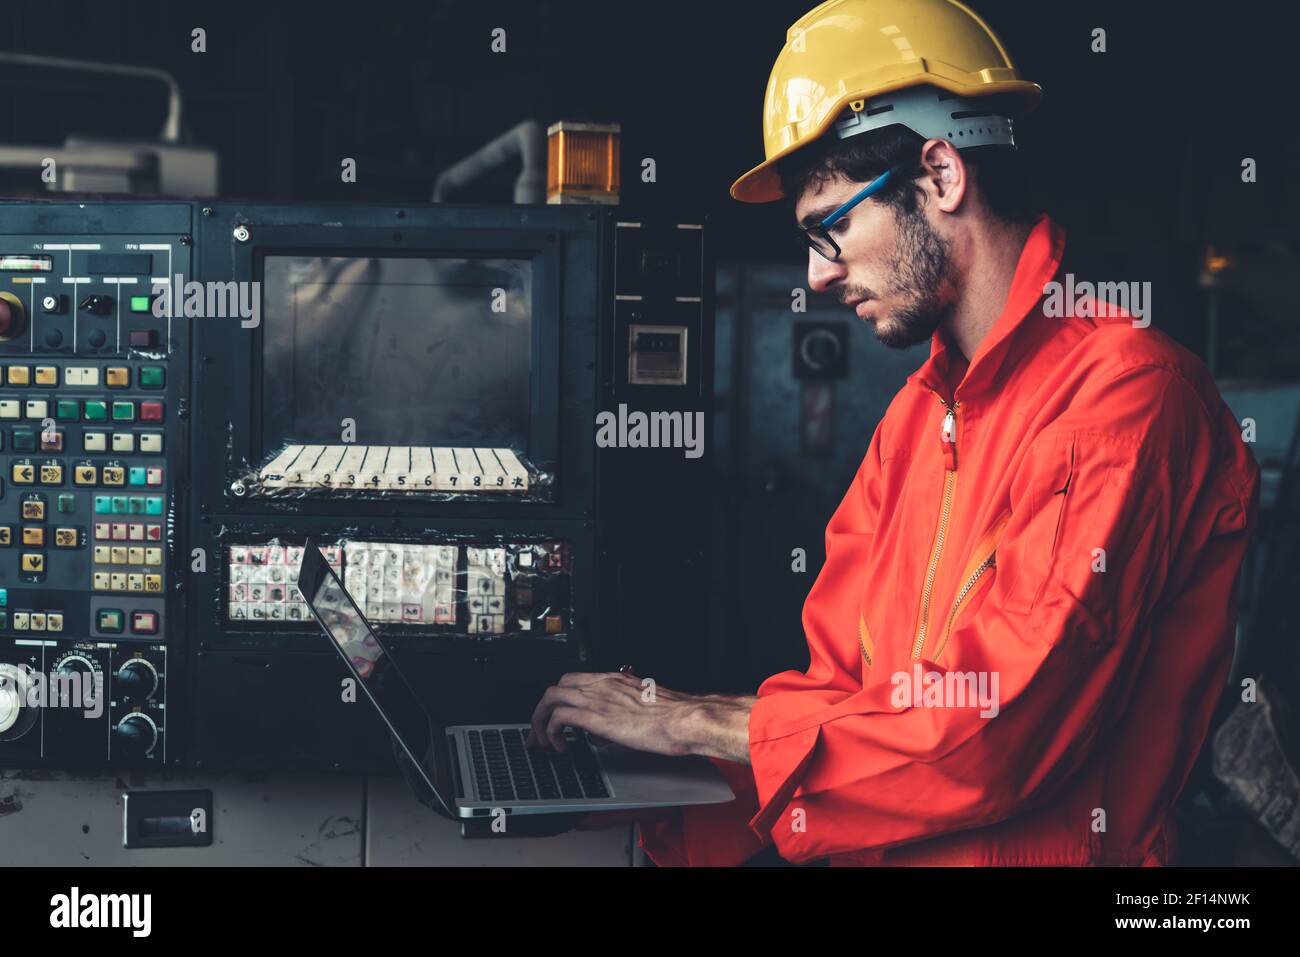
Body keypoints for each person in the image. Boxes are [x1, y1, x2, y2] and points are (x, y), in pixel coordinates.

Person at [527, 0, 1260, 866]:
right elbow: (838, 698)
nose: (816, 273)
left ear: (941, 175)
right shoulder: (916, 419)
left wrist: (692, 720)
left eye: (830, 224)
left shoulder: (1126, 399)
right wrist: (633, 782)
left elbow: (998, 735)